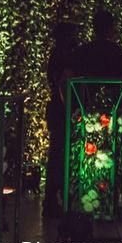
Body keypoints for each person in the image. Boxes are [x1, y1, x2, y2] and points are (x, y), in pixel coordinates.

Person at [43, 21, 78, 218]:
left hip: (56, 111)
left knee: (56, 154)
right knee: (61, 155)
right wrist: (70, 111)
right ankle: (60, 199)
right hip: (62, 112)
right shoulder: (65, 56)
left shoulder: (56, 54)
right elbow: (64, 83)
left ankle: (52, 199)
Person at [72, 10, 122, 79]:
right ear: (111, 28)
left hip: (87, 89)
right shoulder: (121, 54)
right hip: (114, 89)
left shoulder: (81, 52)